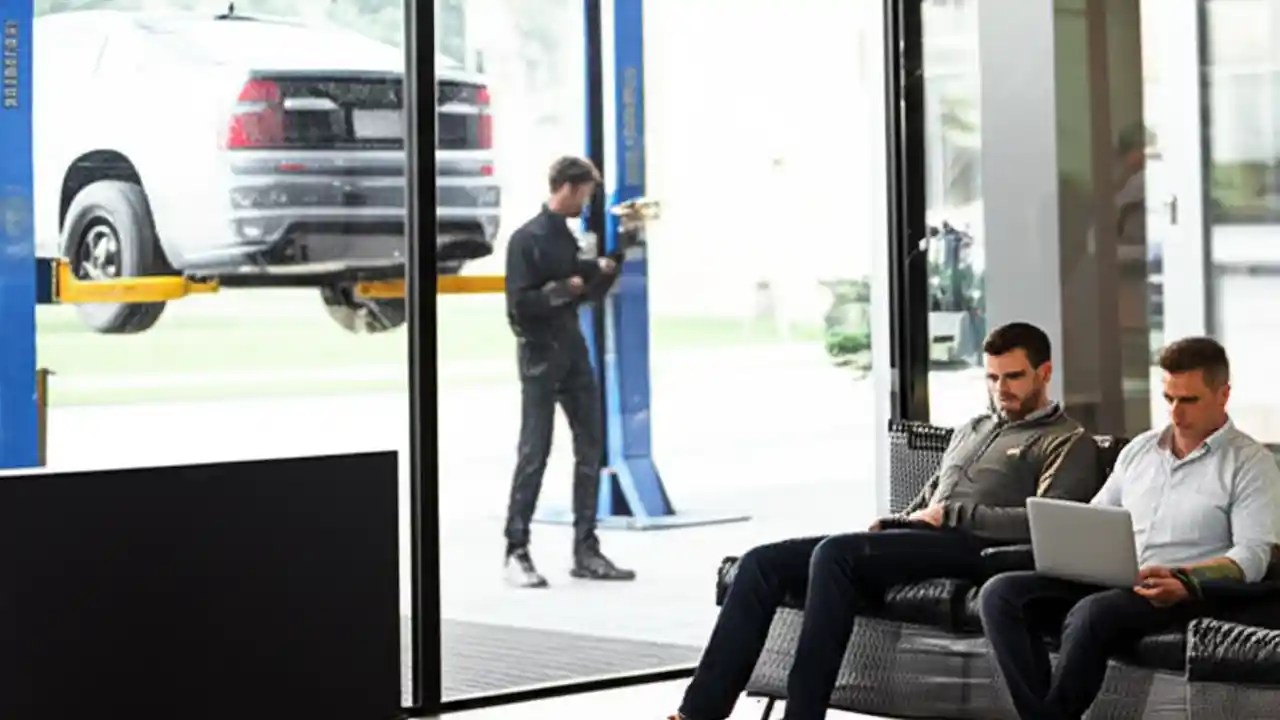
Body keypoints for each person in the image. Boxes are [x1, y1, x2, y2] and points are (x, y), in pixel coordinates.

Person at [667, 322, 1101, 720]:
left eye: (1013, 377)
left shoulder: (1066, 441)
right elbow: (931, 494)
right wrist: (898, 522)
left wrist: (950, 515)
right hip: (923, 537)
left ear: (1044, 373)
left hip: (979, 549)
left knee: (836, 555)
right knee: (761, 562)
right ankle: (698, 712)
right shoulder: (973, 428)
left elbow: (1048, 525)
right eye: (992, 377)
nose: (1000, 388)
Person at [979, 336, 1280, 720]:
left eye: (1189, 400)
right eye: (1169, 398)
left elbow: (1252, 556)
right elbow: (1095, 516)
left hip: (1182, 592)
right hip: (1116, 576)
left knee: (1092, 613)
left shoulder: (1250, 464)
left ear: (1223, 395)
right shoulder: (1140, 450)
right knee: (1000, 594)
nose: (1175, 413)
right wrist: (1071, 552)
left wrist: (1186, 580)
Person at [502, 156, 635, 588]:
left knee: (590, 448)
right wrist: (562, 290)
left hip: (573, 353)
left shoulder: (568, 238)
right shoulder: (527, 240)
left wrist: (615, 259)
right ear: (569, 187)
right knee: (534, 453)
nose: (587, 202)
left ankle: (586, 549)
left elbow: (588, 293)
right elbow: (519, 307)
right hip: (539, 357)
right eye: (586, 193)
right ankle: (516, 550)